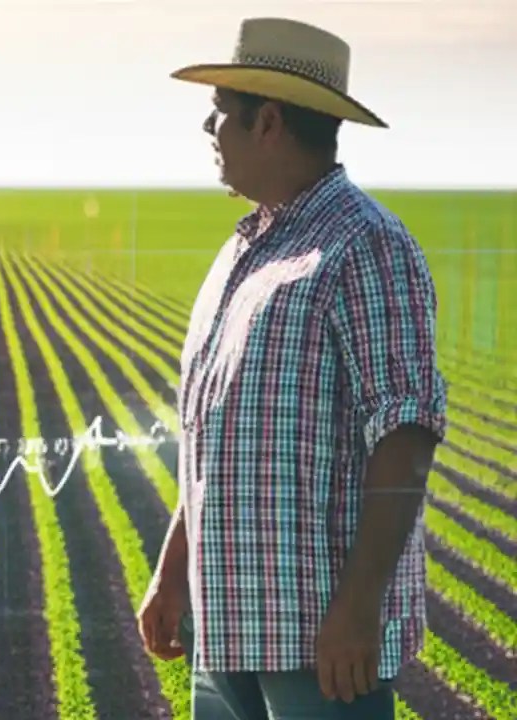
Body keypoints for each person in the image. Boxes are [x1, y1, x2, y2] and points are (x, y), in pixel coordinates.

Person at [135, 17, 449, 720]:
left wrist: (359, 607)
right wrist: (173, 569)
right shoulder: (243, 253)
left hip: (319, 645)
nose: (209, 128)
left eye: (221, 111)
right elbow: (216, 436)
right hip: (226, 630)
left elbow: (406, 434)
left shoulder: (365, 245)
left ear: (269, 121)